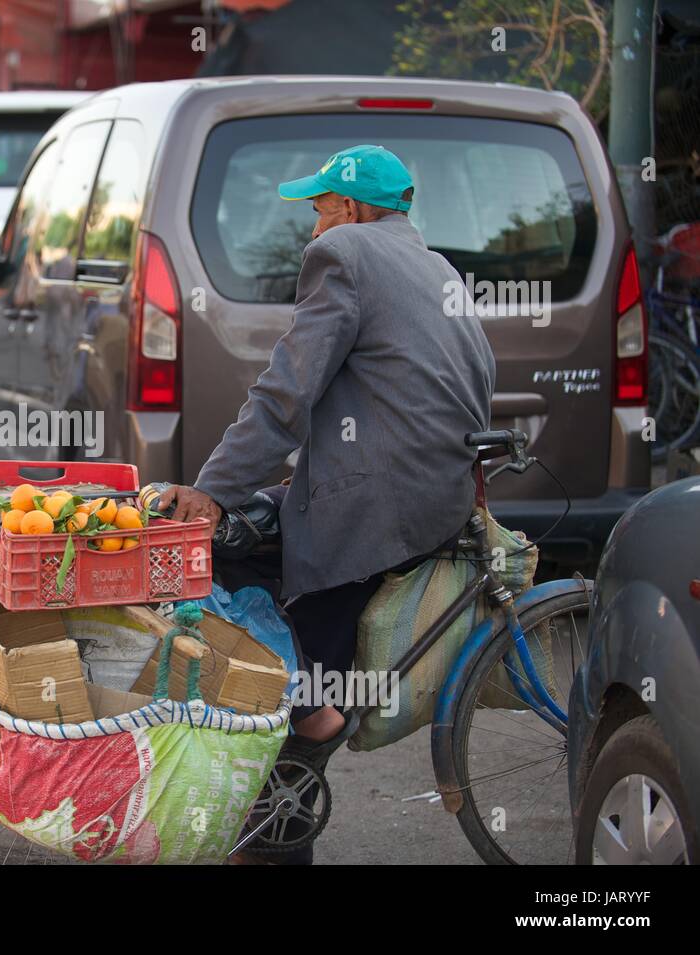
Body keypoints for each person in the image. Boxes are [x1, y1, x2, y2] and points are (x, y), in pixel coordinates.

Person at [157, 145, 495, 859]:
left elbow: (284, 398)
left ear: (348, 208)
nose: (313, 228)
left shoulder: (343, 253)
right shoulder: (435, 265)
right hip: (438, 494)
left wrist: (211, 491)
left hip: (380, 506)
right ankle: (302, 737)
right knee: (269, 544)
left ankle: (308, 713)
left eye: (317, 210)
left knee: (236, 570)